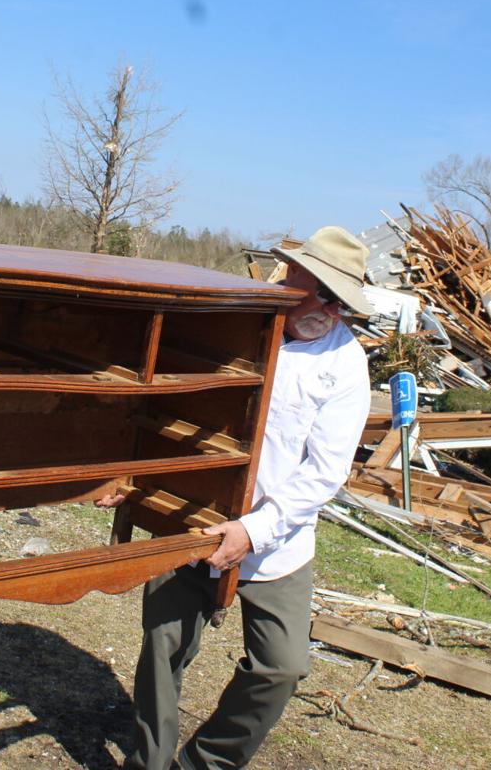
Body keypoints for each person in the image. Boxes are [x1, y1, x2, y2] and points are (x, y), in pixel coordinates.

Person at [104, 226, 374, 769]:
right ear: (292, 276)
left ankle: (202, 764)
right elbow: (167, 401)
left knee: (282, 667)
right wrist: (131, 477)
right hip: (188, 514)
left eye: (340, 301)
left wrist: (254, 530)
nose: (329, 309)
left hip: (276, 542)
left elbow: (325, 473)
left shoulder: (345, 364)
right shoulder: (234, 328)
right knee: (163, 649)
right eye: (321, 290)